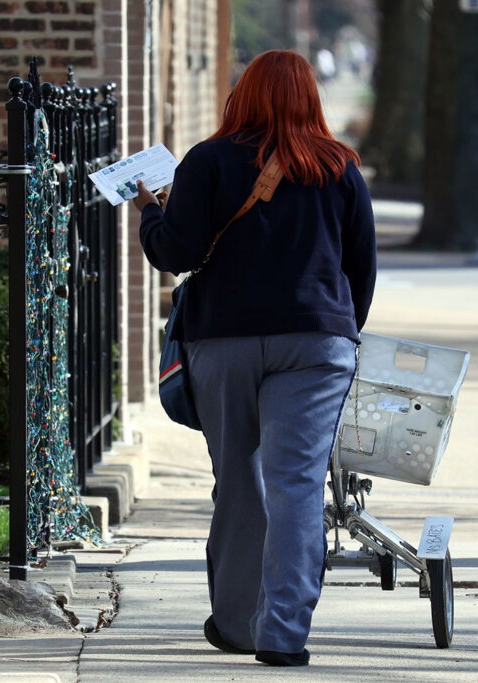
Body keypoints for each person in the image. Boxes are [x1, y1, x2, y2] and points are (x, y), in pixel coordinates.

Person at [132, 49, 377, 668]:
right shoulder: (340, 167)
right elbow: (361, 268)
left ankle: (238, 624)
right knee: (296, 485)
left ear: (243, 93)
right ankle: (284, 634)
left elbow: (176, 253)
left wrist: (149, 214)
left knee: (239, 481)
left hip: (224, 340)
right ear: (310, 99)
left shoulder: (208, 162)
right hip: (316, 345)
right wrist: (342, 335)